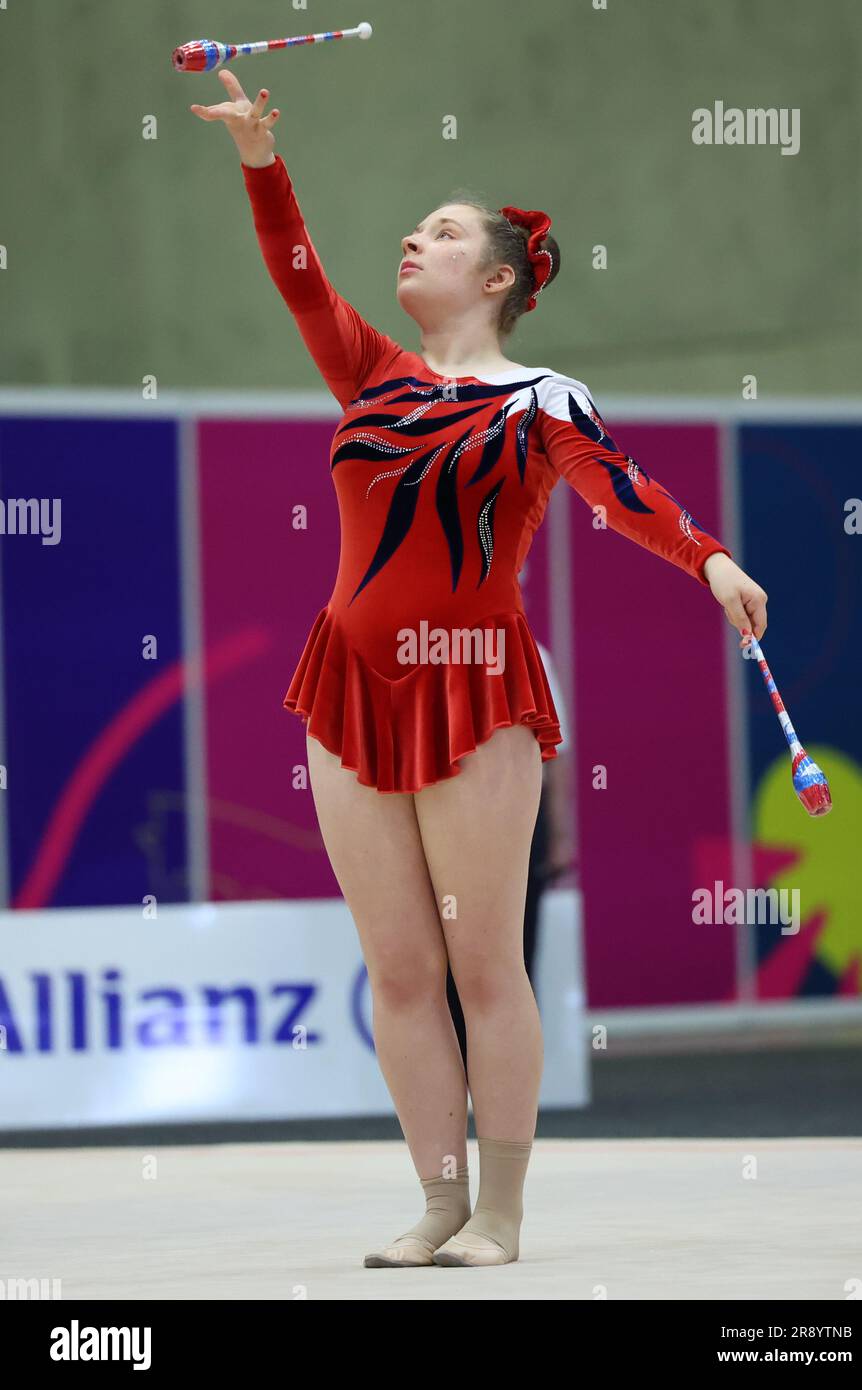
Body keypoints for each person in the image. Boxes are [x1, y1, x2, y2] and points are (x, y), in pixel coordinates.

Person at [190, 72, 768, 1268]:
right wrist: (258, 156)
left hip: (472, 686)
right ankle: (439, 1201)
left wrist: (707, 561)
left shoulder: (539, 399)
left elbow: (623, 490)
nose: (414, 237)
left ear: (497, 279)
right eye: (413, 227)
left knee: (480, 963)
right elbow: (293, 265)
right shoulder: (369, 372)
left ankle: (501, 1214)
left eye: (442, 232)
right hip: (346, 683)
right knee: (397, 971)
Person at [445, 638, 574, 1073]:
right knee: (447, 962)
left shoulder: (533, 655)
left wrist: (557, 834)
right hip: (447, 819)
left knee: (516, 957)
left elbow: (554, 754)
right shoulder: (426, 648)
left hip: (519, 822)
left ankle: (510, 1087)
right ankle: (457, 1079)